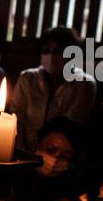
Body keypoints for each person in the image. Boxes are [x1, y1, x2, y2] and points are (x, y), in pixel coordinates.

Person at [12, 25, 96, 153]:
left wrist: (48, 153)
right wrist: (20, 151)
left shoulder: (84, 84)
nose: (51, 56)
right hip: (24, 151)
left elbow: (72, 123)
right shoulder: (27, 78)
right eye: (46, 50)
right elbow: (17, 116)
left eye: (58, 51)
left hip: (59, 155)